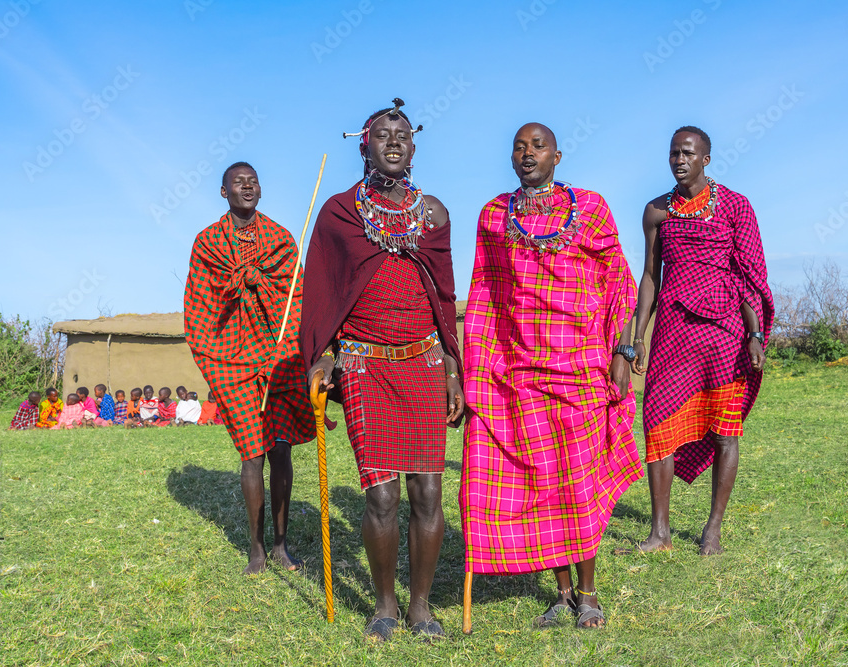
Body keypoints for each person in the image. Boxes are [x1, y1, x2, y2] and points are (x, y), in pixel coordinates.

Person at [461, 122, 643, 630]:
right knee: (540, 481)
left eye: (537, 146)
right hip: (519, 370)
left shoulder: (590, 209)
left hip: (581, 367)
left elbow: (619, 284)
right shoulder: (495, 216)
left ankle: (588, 594)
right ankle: (561, 594)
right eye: (518, 146)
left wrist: (623, 353)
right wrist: (477, 370)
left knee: (577, 483)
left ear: (557, 156)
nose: (526, 154)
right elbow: (484, 295)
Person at [299, 99, 463, 641]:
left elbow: (444, 297)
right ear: (363, 144)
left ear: (413, 148)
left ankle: (421, 607)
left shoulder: (434, 213)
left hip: (423, 363)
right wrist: (322, 352)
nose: (393, 141)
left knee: (429, 494)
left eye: (402, 135)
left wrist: (453, 369)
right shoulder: (340, 213)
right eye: (382, 134)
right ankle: (386, 605)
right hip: (365, 364)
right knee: (381, 496)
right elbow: (321, 292)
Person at [632, 126, 773, 556]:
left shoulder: (735, 206)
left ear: (705, 159)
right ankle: (660, 531)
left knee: (725, 431)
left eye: (688, 153)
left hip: (725, 332)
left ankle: (713, 528)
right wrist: (637, 334)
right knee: (657, 422)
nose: (679, 159)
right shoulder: (657, 211)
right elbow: (651, 277)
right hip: (674, 330)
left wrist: (754, 333)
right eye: (674, 152)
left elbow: (749, 276)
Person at [185, 161, 316, 574]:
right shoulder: (208, 243)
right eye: (239, 182)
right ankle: (256, 547)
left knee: (279, 449)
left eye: (253, 181)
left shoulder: (280, 239)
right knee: (252, 453)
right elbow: (199, 307)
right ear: (224, 192)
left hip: (277, 351)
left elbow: (298, 295)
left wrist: (292, 340)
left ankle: (280, 543)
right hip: (230, 355)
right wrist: (215, 345)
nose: (248, 186)